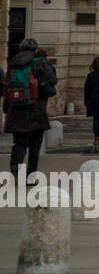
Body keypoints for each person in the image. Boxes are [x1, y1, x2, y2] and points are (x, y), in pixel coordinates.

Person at [6, 37, 58, 186]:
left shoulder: (13, 63)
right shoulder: (40, 62)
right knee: (35, 146)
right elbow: (53, 80)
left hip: (16, 110)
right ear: (35, 48)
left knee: (19, 143)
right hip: (36, 109)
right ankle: (30, 176)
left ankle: (15, 171)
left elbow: (7, 86)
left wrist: (7, 109)